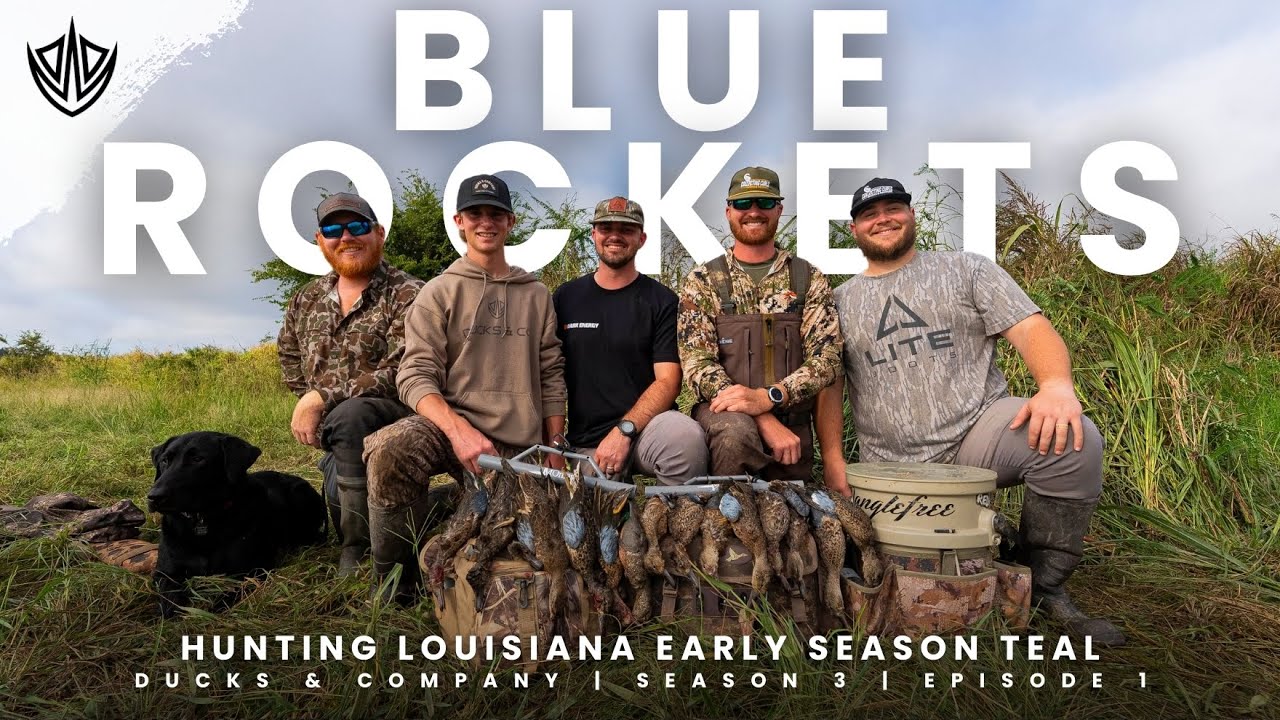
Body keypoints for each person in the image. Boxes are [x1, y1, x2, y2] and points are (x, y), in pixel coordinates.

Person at [817, 176, 1125, 646]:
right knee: (891, 573)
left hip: (977, 435)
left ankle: (1045, 588)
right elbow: (829, 390)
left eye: (892, 208)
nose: (883, 219)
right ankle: (992, 544)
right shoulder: (838, 302)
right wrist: (836, 463)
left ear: (912, 215)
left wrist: (1056, 385)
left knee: (1073, 439)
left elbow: (1031, 328)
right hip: (890, 467)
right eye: (869, 214)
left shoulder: (967, 270)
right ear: (854, 229)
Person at [362, 174, 566, 599]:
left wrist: (555, 447)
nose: (485, 222)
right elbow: (414, 375)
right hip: (451, 428)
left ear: (511, 222)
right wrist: (458, 431)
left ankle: (445, 504)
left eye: (495, 214)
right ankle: (395, 583)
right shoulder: (437, 292)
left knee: (520, 538)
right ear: (459, 220)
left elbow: (551, 373)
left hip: (517, 445)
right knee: (389, 450)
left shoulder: (537, 294)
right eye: (475, 213)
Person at [277, 192, 422, 575]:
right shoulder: (305, 299)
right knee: (341, 482)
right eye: (333, 229)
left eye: (357, 226)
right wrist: (313, 403)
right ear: (319, 240)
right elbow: (290, 358)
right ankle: (414, 501)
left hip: (397, 416)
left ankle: (357, 551)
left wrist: (322, 397)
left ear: (379, 233)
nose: (346, 237)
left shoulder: (410, 293)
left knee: (352, 414)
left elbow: (404, 368)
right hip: (336, 427)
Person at [677, 166, 842, 481]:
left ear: (779, 210)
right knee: (736, 437)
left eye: (764, 203)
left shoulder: (808, 278)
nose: (754, 211)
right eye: (743, 204)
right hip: (725, 422)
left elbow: (828, 357)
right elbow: (698, 364)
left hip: (791, 435)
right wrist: (760, 415)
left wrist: (772, 396)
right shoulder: (704, 280)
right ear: (729, 211)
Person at [553, 196, 708, 483]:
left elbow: (668, 381)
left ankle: (674, 518)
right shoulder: (565, 298)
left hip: (645, 430)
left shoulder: (661, 301)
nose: (615, 236)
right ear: (594, 235)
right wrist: (554, 448)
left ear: (641, 238)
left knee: (685, 438)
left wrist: (624, 431)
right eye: (605, 228)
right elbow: (549, 378)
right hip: (586, 443)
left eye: (626, 230)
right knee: (597, 518)